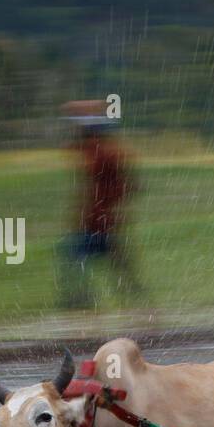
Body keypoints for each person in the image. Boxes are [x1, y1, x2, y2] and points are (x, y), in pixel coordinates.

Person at [59, 103, 140, 308]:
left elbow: (128, 185)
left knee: (76, 259)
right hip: (100, 220)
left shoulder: (102, 154)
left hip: (97, 222)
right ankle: (134, 300)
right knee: (116, 263)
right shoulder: (106, 152)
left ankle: (83, 300)